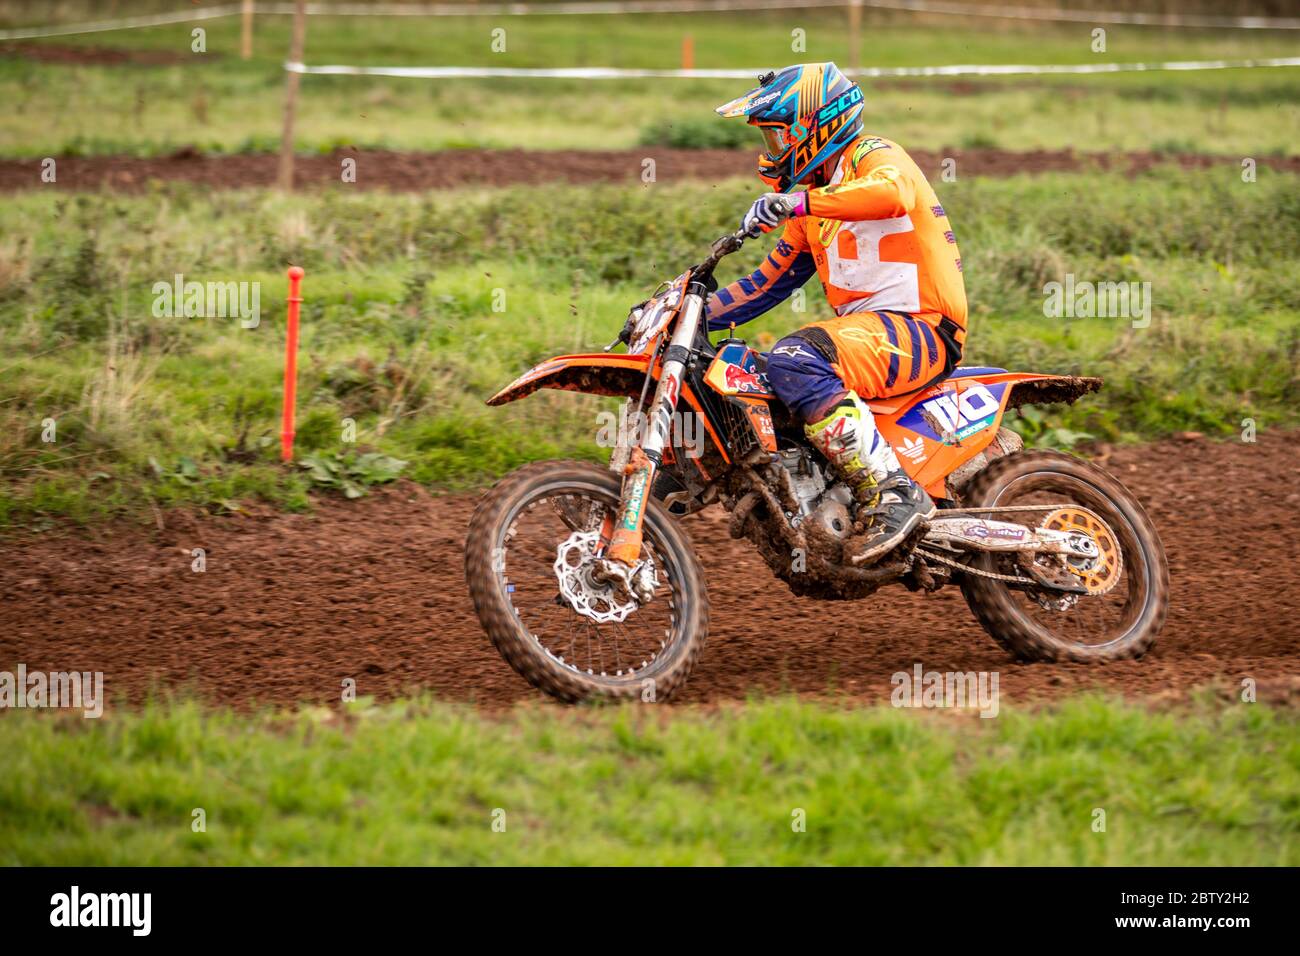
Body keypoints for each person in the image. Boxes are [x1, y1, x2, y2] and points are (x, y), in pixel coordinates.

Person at [709, 62, 968, 562]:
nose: (772, 152)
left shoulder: (872, 155)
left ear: (815, 125)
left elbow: (895, 193)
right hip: (870, 337)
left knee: (795, 358)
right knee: (746, 374)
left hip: (922, 330)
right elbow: (765, 284)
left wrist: (798, 202)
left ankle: (894, 493)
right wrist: (685, 307)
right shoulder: (816, 205)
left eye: (778, 137)